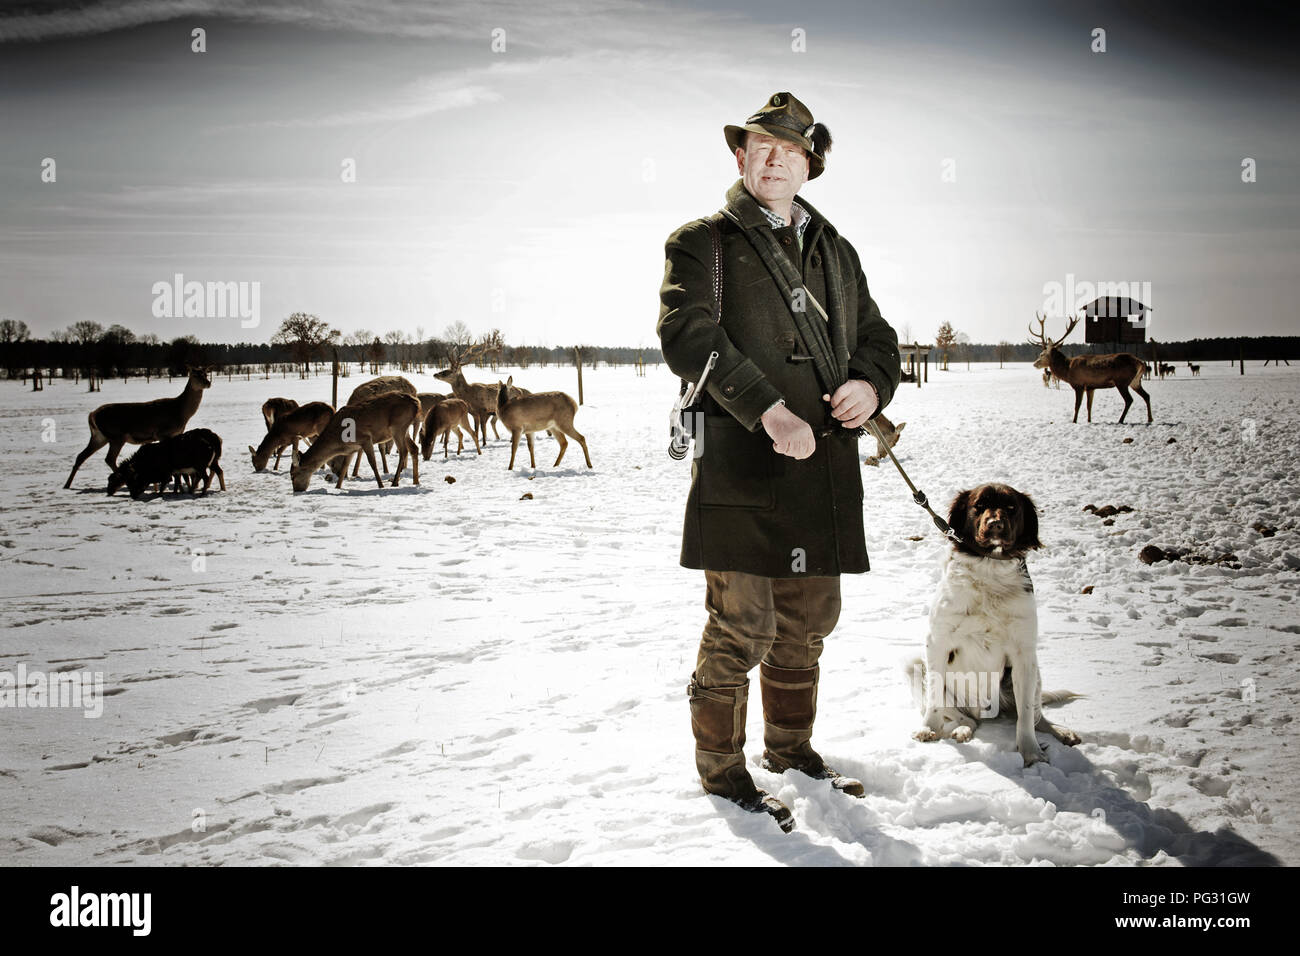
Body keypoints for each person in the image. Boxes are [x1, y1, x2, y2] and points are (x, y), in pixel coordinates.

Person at [657, 92, 901, 830]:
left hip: (821, 469)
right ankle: (723, 773)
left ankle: (791, 751)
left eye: (789, 150)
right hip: (740, 465)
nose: (773, 159)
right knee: (742, 627)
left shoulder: (837, 248)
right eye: (761, 147)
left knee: (808, 622)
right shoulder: (703, 242)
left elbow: (878, 335)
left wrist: (868, 383)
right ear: (741, 157)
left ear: (807, 164)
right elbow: (687, 333)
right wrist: (765, 407)